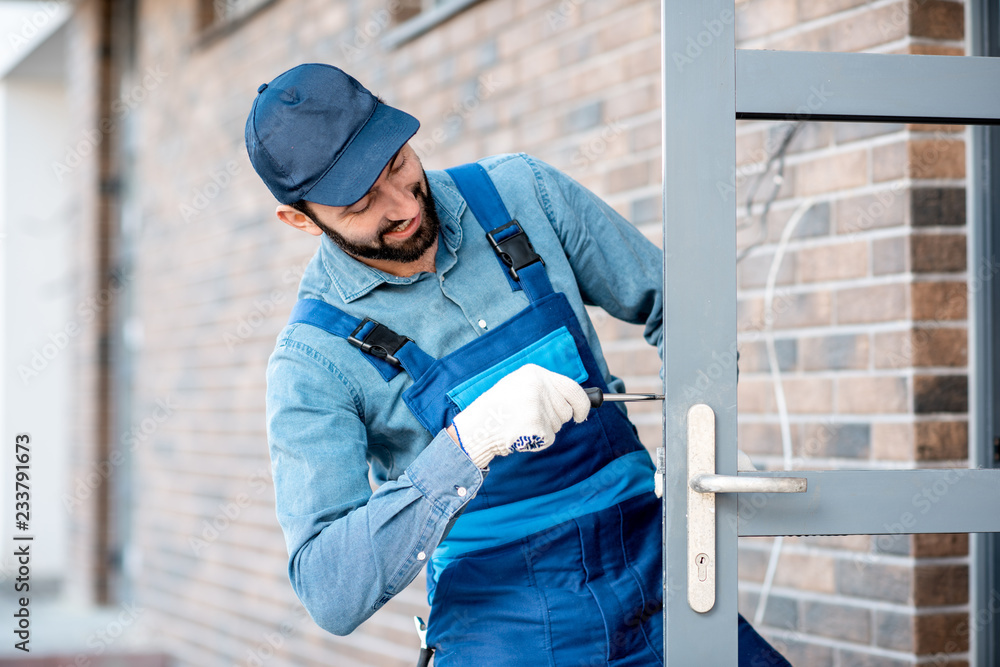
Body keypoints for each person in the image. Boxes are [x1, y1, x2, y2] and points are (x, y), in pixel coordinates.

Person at [246, 63, 791, 666]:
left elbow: (683, 306)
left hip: (657, 567)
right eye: (361, 201)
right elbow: (330, 589)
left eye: (398, 163)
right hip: (504, 621)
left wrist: (702, 428)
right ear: (300, 219)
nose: (404, 204)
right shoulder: (313, 362)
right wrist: (467, 445)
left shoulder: (522, 194)